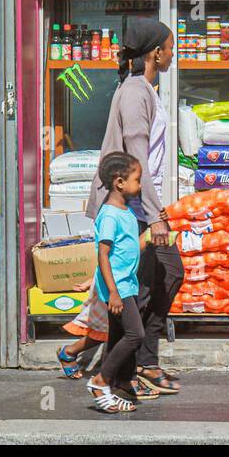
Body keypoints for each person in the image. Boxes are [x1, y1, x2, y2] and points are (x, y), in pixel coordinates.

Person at [85, 18, 182, 397]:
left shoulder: (144, 88)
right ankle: (120, 374)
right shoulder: (134, 93)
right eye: (170, 47)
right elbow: (137, 157)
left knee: (161, 278)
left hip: (140, 203)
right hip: (131, 206)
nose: (173, 54)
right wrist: (156, 214)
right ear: (156, 53)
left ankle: (141, 363)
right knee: (142, 285)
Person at [85, 152, 147, 413]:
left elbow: (130, 248)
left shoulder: (126, 212)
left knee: (119, 336)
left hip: (126, 284)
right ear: (120, 182)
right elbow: (103, 254)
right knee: (135, 335)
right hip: (118, 287)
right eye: (137, 179)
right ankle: (100, 381)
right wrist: (112, 292)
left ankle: (118, 387)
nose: (140, 185)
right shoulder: (110, 215)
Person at [57, 279, 106, 378]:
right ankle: (69, 352)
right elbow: (110, 264)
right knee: (106, 329)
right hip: (115, 286)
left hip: (132, 284)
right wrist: (92, 281)